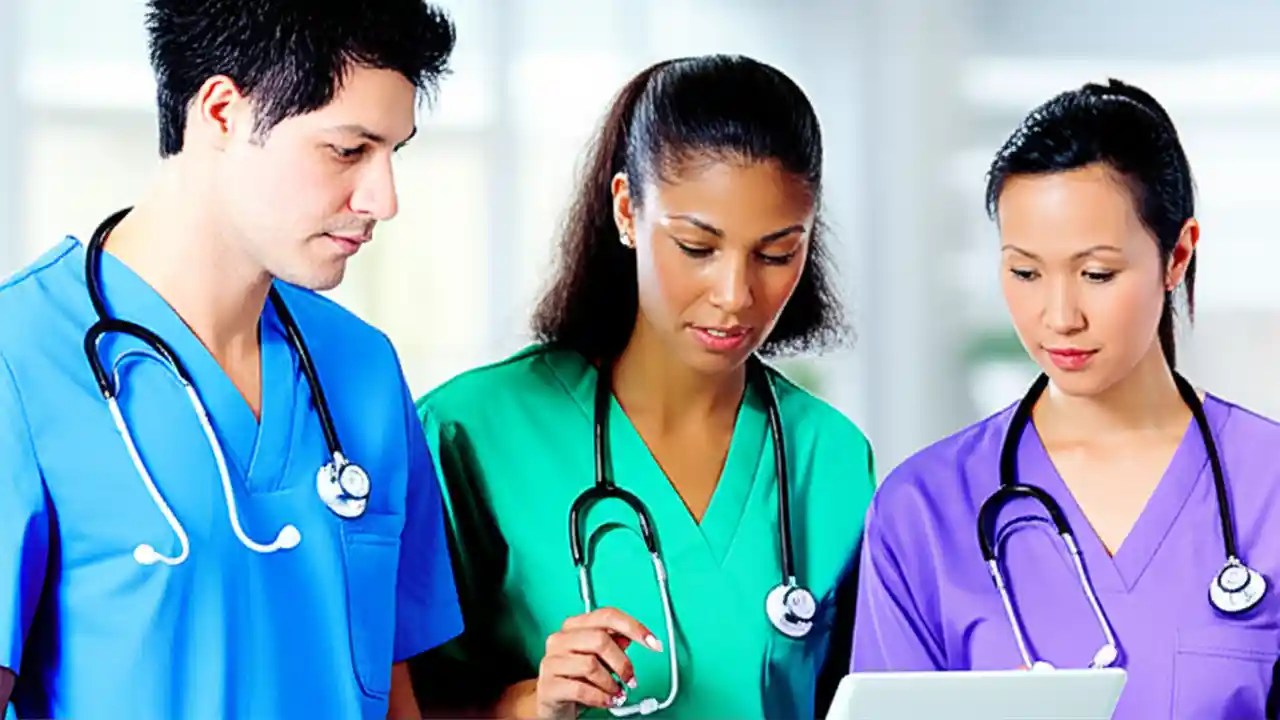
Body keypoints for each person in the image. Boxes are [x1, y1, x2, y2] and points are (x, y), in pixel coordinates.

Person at [0, 2, 462, 718]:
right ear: (222, 113)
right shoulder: (20, 357)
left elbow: (394, 687)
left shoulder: (363, 370)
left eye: (392, 154)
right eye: (348, 151)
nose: (384, 198)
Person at [408, 55, 875, 719]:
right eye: (696, 246)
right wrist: (529, 704)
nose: (736, 295)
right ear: (628, 210)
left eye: (776, 253)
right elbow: (397, 702)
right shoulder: (471, 432)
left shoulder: (828, 457)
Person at [850, 78, 1280, 718]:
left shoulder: (1267, 484)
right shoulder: (924, 510)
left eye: (1097, 274)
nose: (1058, 316)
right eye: (1025, 272)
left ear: (1177, 255)